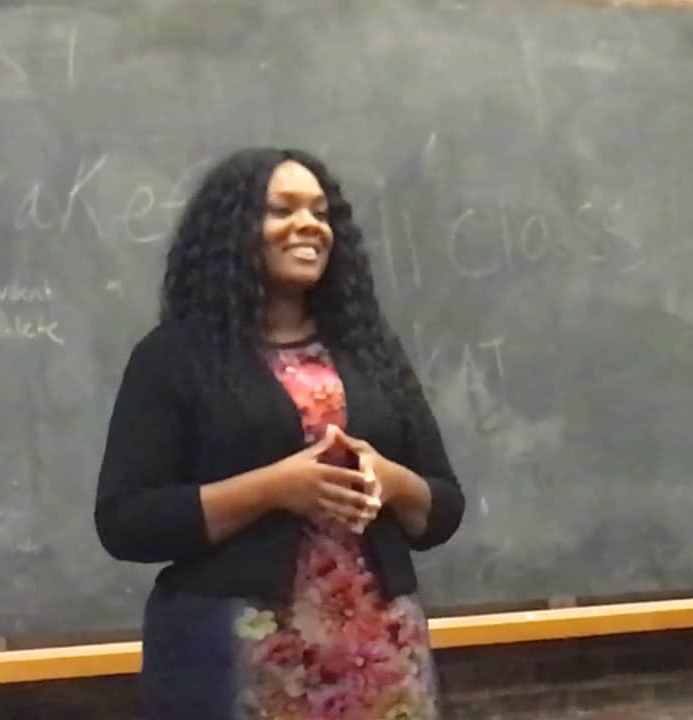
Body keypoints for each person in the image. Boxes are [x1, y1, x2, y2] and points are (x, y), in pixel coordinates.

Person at [95, 147, 465, 720]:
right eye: (282, 210)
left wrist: (391, 482)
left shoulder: (368, 351)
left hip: (378, 657)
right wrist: (275, 488)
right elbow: (126, 522)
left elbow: (442, 507)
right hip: (241, 656)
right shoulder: (174, 357)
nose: (309, 225)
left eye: (321, 212)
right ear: (233, 230)